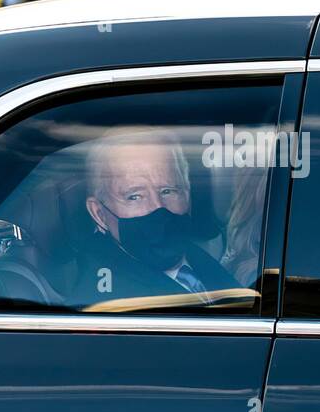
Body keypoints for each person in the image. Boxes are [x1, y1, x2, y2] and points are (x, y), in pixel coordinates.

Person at [74, 128, 237, 307]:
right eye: (134, 196)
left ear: (187, 193)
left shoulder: (194, 254)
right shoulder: (106, 305)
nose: (158, 207)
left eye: (168, 191)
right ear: (99, 214)